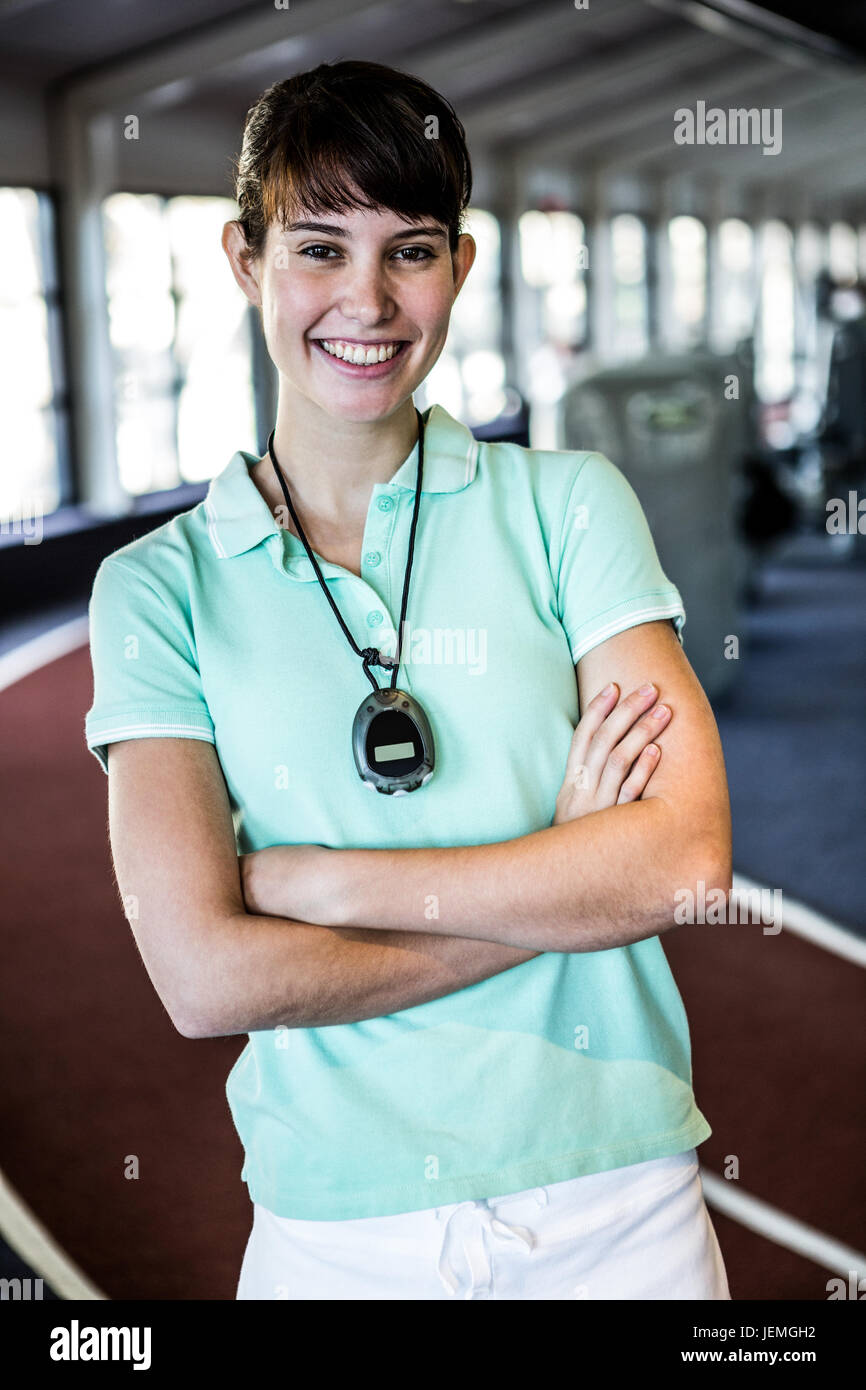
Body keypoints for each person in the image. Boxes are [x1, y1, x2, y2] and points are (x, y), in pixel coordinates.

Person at [84, 59, 732, 1301]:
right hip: (335, 1231)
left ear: (462, 267)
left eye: (411, 250)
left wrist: (329, 886)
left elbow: (682, 864)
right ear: (243, 261)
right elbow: (206, 981)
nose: (366, 302)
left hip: (617, 1205)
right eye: (318, 248)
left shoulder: (569, 507)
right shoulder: (155, 590)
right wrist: (558, 878)